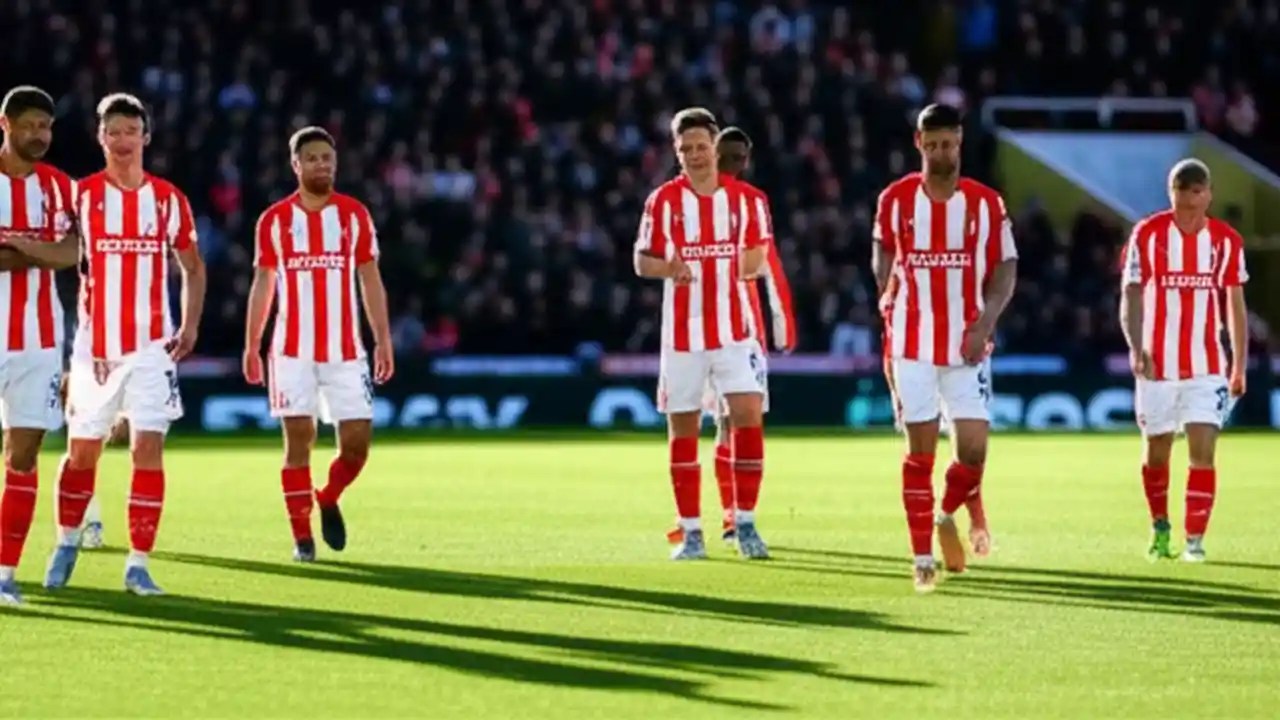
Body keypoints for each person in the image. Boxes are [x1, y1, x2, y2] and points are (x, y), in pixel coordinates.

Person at [43, 92, 207, 596]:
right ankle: (68, 539)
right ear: (100, 137)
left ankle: (138, 564)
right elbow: (56, 249)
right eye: (112, 132)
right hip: (96, 347)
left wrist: (192, 325)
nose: (121, 140)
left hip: (154, 347)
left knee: (147, 450)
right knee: (83, 453)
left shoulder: (168, 199)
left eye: (130, 131)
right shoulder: (82, 196)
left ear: (145, 137)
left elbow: (193, 266)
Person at [872, 103, 1017, 592]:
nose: (940, 152)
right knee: (920, 453)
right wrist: (888, 302)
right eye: (931, 144)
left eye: (948, 143)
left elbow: (1005, 268)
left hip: (967, 344)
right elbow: (882, 258)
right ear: (919, 144)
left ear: (960, 141)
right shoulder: (894, 200)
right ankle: (920, 558)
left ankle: (944, 512)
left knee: (973, 451)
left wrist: (986, 322)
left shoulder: (986, 204)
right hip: (912, 344)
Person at [243, 126, 394, 562]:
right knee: (299, 439)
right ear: (296, 165)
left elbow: (370, 277)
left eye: (328, 157)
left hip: (346, 351)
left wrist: (382, 339)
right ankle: (302, 538)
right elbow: (263, 283)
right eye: (312, 158)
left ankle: (327, 496)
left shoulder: (353, 216)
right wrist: (252, 344)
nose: (322, 165)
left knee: (357, 446)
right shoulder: (274, 221)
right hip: (291, 351)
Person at [634, 108, 770, 560]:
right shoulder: (663, 201)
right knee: (684, 427)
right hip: (683, 335)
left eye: (701, 146)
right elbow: (641, 261)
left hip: (734, 331)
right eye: (685, 148)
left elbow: (756, 257)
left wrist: (733, 269)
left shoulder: (746, 202)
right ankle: (691, 531)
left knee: (748, 415)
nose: (694, 155)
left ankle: (745, 522)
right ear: (676, 152)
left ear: (716, 146)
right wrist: (671, 267)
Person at [666, 125, 795, 547]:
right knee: (712, 423)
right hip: (696, 334)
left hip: (742, 332)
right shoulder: (689, 203)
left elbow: (770, 268)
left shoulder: (749, 206)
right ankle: (715, 517)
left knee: (733, 423)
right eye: (728, 156)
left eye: (741, 158)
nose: (733, 164)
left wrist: (781, 327)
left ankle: (732, 515)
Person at [1119, 158, 1248, 563]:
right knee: (1157, 451)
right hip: (1157, 365)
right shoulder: (1149, 234)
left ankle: (1195, 540)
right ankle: (1160, 527)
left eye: (1196, 197)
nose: (1189, 207)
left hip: (1206, 365)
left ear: (1208, 195)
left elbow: (1235, 304)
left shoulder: (1226, 241)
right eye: (1181, 197)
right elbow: (1132, 295)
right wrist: (1136, 345)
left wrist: (1239, 365)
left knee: (1203, 451)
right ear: (1170, 194)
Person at [0, 85, 79, 605]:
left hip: (39, 340)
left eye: (45, 127)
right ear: (4, 123)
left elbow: (73, 251)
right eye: (29, 125)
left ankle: (4, 573)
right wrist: (42, 251)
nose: (38, 135)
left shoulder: (61, 188)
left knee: (23, 456)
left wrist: (22, 248)